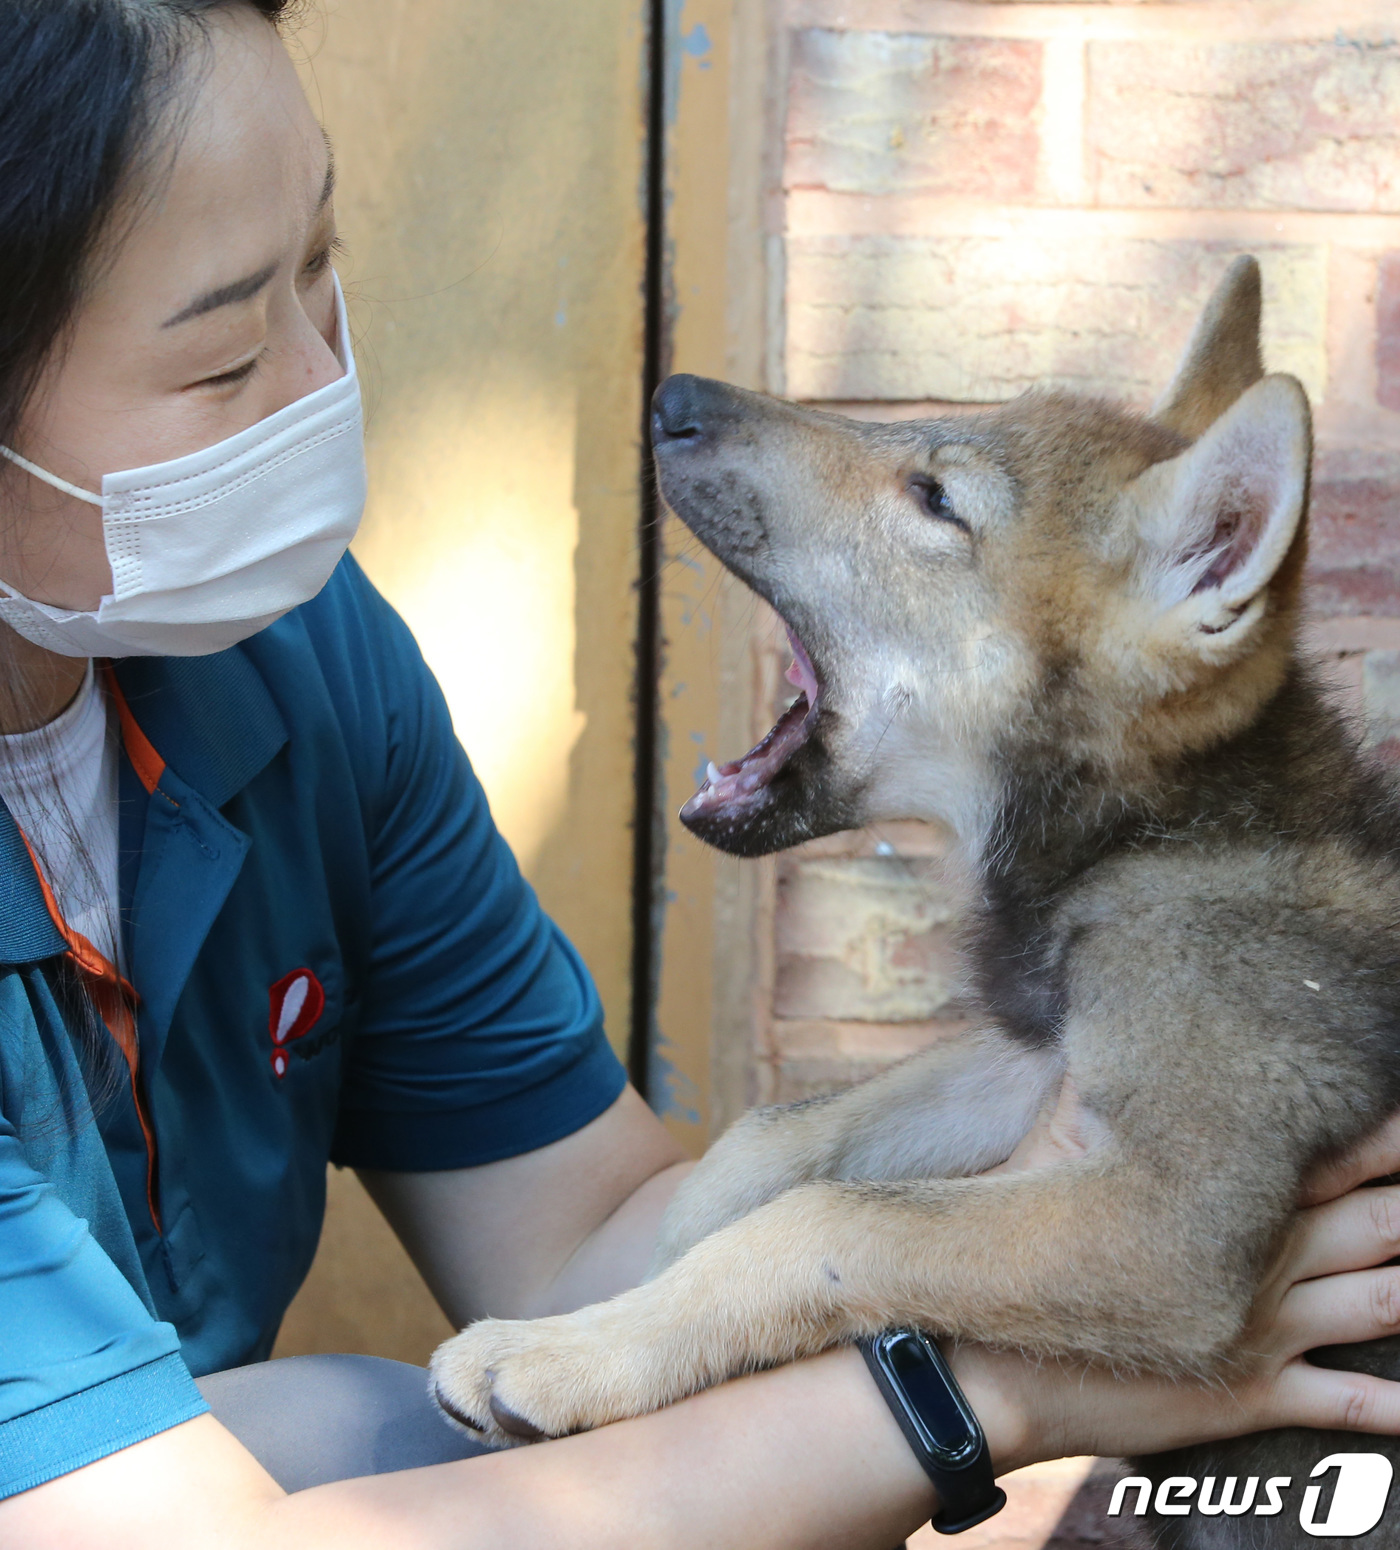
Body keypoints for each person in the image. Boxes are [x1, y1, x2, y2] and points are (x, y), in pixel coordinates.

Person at [0, 4, 1398, 1547]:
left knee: (354, 1415)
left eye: (324, 266)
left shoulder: (296, 668)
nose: (324, 380)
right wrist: (983, 1383)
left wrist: (859, 1188)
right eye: (221, 358)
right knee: (323, 1432)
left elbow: (581, 1256)